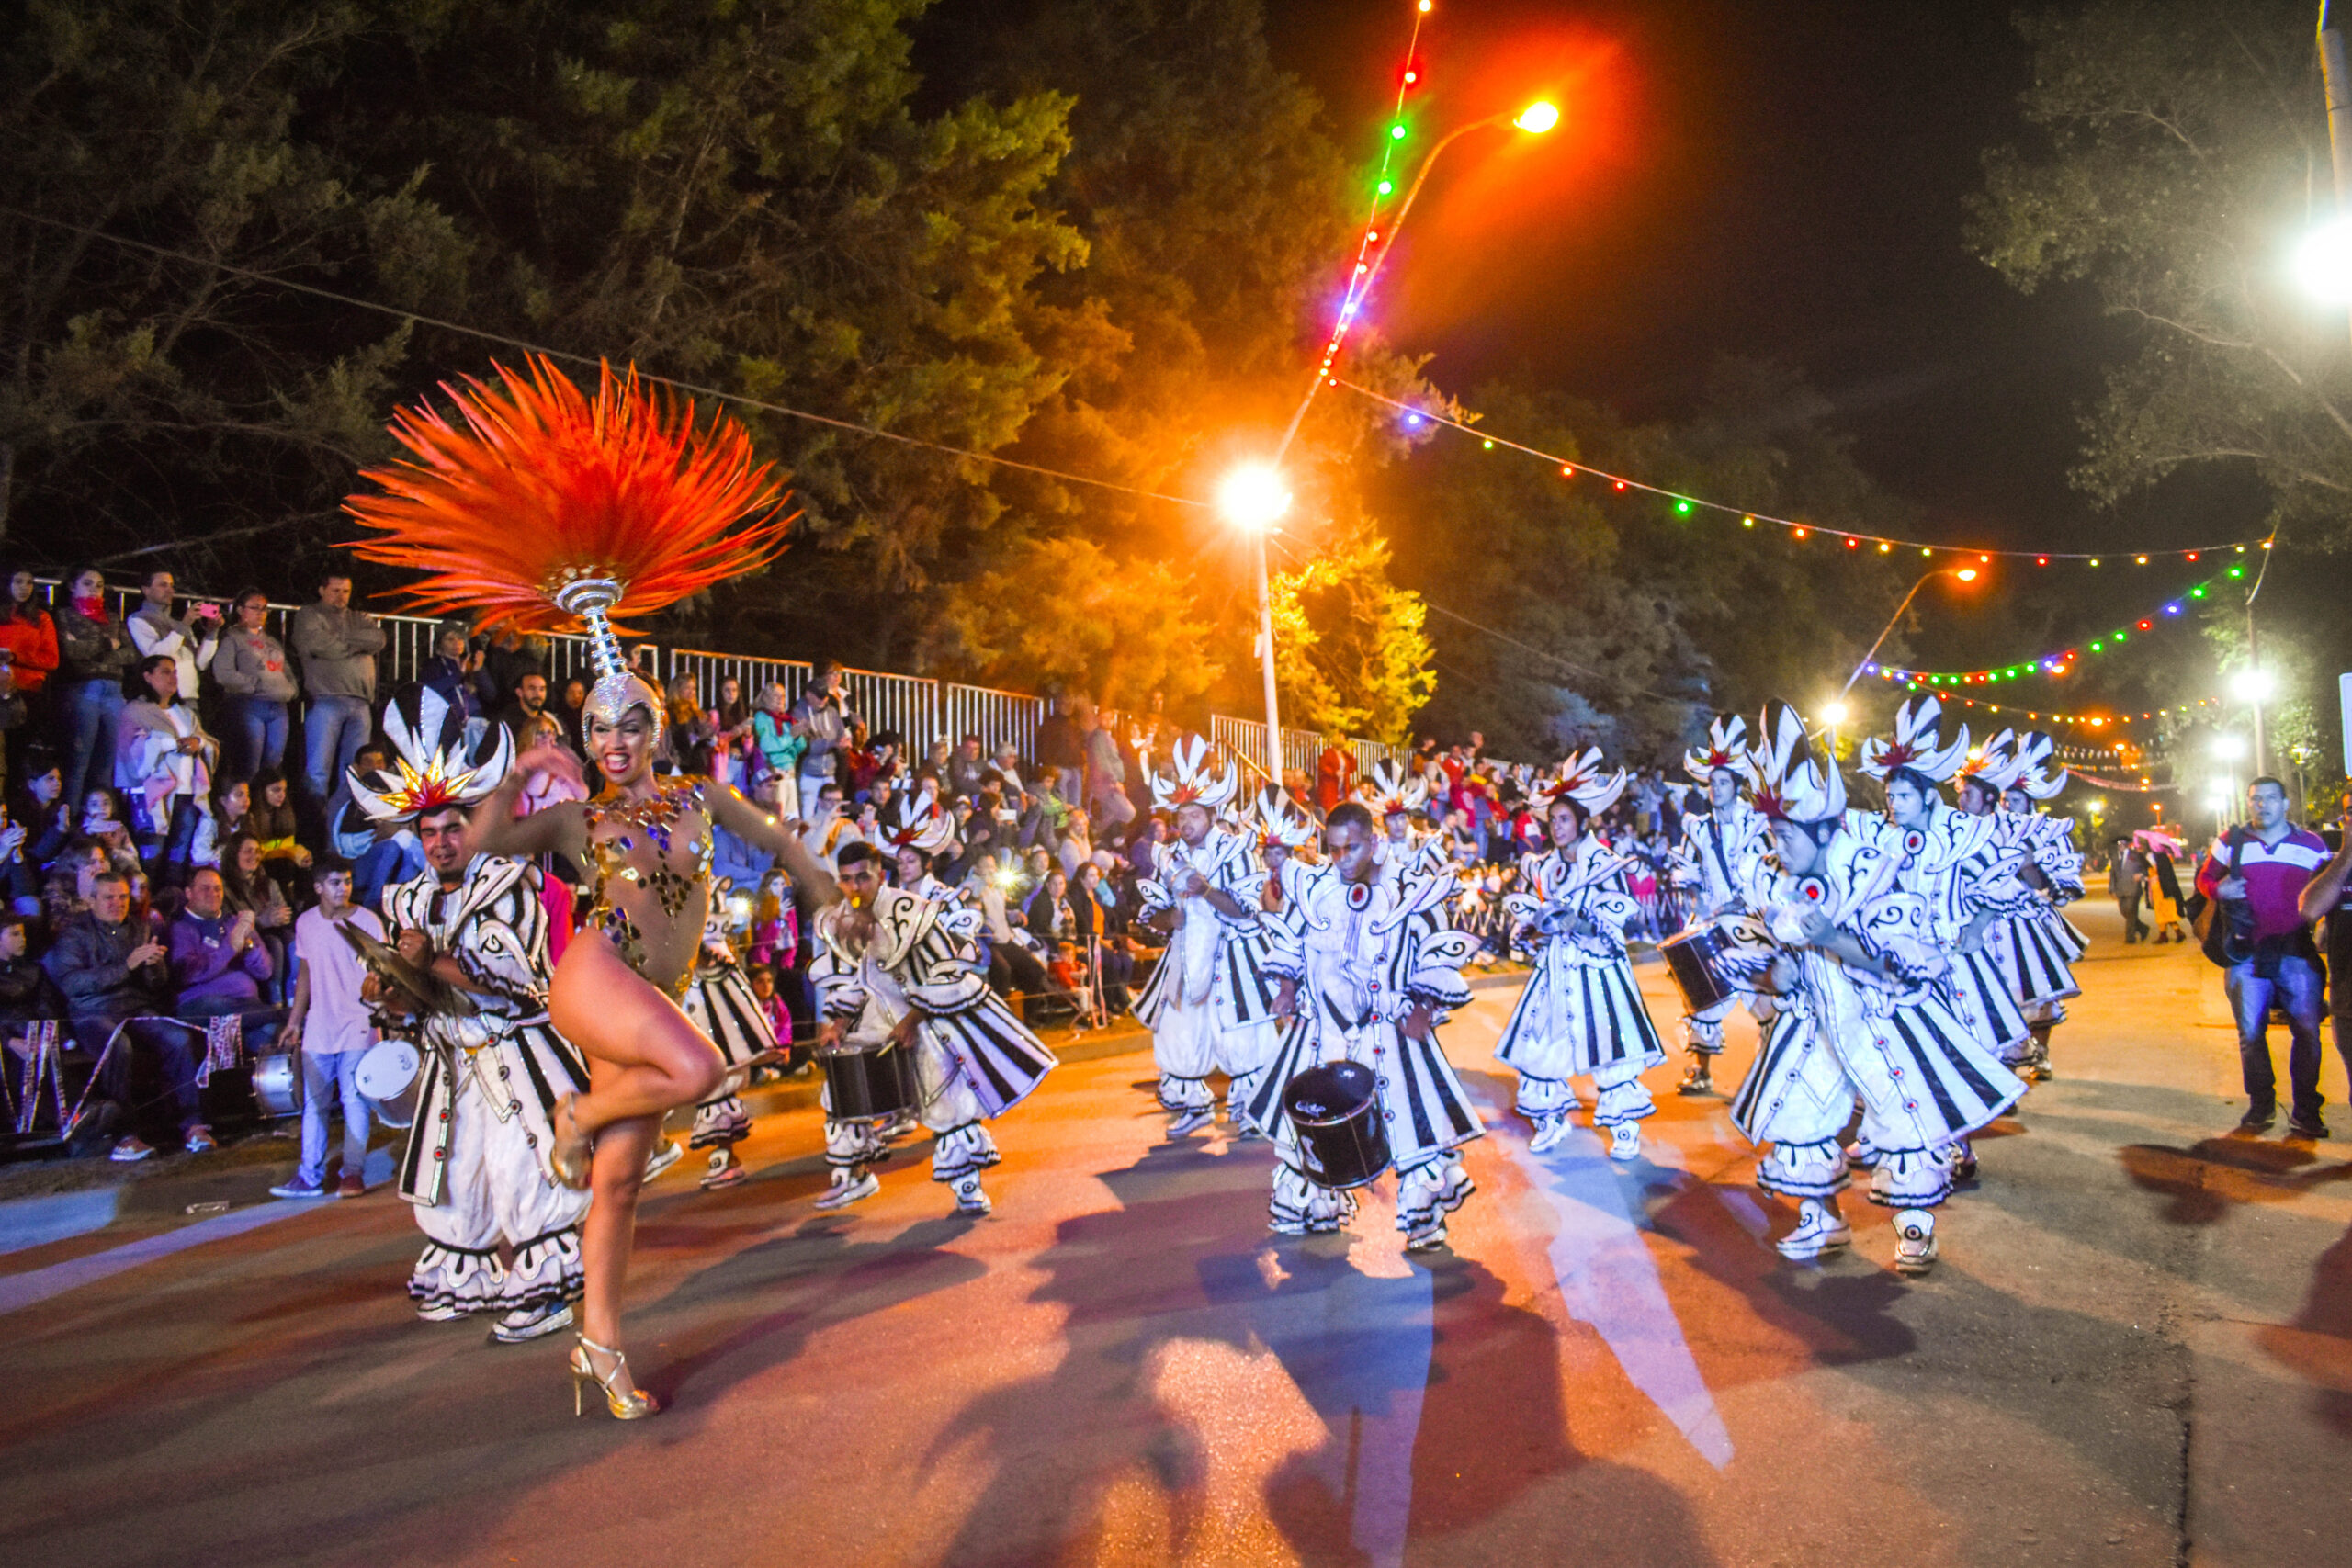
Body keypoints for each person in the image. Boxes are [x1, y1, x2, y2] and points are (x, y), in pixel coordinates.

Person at [1731, 702, 2022, 1275]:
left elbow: (1898, 967)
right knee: (1796, 1115)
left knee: (1902, 1120)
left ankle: (1915, 1229)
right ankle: (1823, 1217)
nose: (1777, 845)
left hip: (1879, 1016)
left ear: (1819, 829)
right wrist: (1775, 974)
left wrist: (1837, 942)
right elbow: (1763, 955)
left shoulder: (1870, 871)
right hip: (1812, 1020)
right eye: (1772, 833)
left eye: (1786, 834)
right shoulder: (1773, 877)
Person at [1250, 801, 1483, 1248]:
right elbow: (1291, 947)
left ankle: (1422, 1220)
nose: (1341, 860)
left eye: (1351, 848)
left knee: (1409, 1126)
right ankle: (1317, 1205)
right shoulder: (1315, 888)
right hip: (1323, 1030)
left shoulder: (1410, 891)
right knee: (1312, 1121)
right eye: (1333, 850)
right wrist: (1284, 988)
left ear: (1373, 843)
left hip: (1389, 1032)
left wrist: (1422, 1009)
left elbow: (1434, 953)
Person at [807, 840, 1058, 1213]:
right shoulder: (841, 919)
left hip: (928, 1017)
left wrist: (913, 1019)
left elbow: (947, 970)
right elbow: (856, 980)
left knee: (947, 1102)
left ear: (881, 874)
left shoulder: (913, 912)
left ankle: (967, 1185)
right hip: (880, 1019)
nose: (855, 887)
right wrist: (837, 1022)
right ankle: (854, 1177)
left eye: (863, 877)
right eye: (846, 880)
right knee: (842, 1088)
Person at [1860, 696, 2036, 1113]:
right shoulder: (1881, 836)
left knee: (1952, 1056)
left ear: (1924, 795)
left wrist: (1974, 930)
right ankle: (1885, 1135)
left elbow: (2001, 884)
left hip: (1951, 961)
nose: (1895, 804)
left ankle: (1958, 1147)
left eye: (1903, 795)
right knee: (1895, 1055)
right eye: (1890, 795)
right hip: (1897, 963)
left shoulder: (1961, 833)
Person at [1494, 751, 1665, 1161]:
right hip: (1553, 971)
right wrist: (1532, 929)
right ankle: (1552, 1121)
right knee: (1540, 1049)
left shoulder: (1605, 864)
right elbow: (1540, 922)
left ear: (1583, 821)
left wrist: (1579, 923)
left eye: (1564, 820)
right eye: (1552, 821)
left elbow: (1614, 928)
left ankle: (1624, 1127)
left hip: (1598, 974)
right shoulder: (1544, 867)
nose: (1556, 827)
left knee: (1612, 1051)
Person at [1130, 739, 1283, 1138]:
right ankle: (1195, 1106)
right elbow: (1156, 916)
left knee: (1241, 1036)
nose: (1187, 823)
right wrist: (1169, 917)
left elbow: (1247, 910)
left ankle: (1251, 1110)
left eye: (1195, 815)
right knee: (1178, 1036)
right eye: (1182, 816)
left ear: (1211, 816)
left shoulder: (1235, 850)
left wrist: (1206, 890)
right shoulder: (1166, 855)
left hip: (1233, 960)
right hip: (1183, 960)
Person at [2198, 776, 2330, 1138]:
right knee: (2251, 1033)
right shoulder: (2230, 842)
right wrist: (2218, 888)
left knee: (2307, 1032)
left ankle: (2306, 1110)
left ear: (2286, 804)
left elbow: (2330, 889)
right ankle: (2261, 1105)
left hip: (2295, 951)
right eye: (2256, 799)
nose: (2263, 805)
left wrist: (2326, 926)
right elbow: (2204, 879)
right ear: (2248, 803)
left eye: (2271, 798)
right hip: (2245, 954)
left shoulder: (2313, 845)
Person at [45, 870, 208, 1160]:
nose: (117, 903)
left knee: (177, 1039)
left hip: (135, 1007)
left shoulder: (139, 927)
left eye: (122, 896)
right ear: (91, 900)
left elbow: (155, 985)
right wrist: (127, 966)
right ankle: (125, 1135)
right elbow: (72, 984)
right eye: (108, 897)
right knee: (118, 1045)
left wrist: (154, 966)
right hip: (92, 1011)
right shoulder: (75, 933)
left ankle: (192, 1125)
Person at [1665, 716, 1776, 1094]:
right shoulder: (1696, 826)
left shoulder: (1759, 824)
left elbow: (1770, 872)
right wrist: (1691, 887)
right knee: (1702, 1000)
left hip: (1749, 923)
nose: (1714, 788)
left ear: (1738, 786)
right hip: (1710, 922)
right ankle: (1701, 1070)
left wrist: (1743, 903)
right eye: (1711, 782)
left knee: (1764, 1003)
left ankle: (1767, 1073)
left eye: (1722, 782)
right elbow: (1687, 873)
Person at [271, 860, 382, 1201]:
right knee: (314, 1104)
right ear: (318, 887)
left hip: (358, 1021)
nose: (342, 888)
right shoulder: (306, 924)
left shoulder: (367, 922)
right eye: (335, 882)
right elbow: (305, 973)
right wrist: (295, 1021)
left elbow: (382, 972)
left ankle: (352, 1173)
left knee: (354, 1101)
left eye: (346, 881)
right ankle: (310, 1175)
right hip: (320, 1024)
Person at [115, 654, 217, 888]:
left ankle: (172, 902)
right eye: (165, 671)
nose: (173, 677)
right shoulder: (135, 711)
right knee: (151, 854)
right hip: (152, 795)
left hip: (186, 792)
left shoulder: (185, 713)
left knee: (178, 857)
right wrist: (173, 743)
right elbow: (132, 750)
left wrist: (198, 744)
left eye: (175, 672)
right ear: (147, 676)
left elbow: (205, 740)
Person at [291, 568, 386, 807]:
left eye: (346, 591)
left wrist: (338, 642)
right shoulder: (309, 614)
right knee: (317, 771)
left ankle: (343, 824)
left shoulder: (359, 617)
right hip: (326, 699)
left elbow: (378, 640)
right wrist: (356, 645)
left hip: (360, 702)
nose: (341, 596)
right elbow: (315, 643)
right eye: (335, 591)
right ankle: (314, 827)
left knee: (355, 772)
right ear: (322, 590)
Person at [54, 566, 137, 811]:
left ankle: (101, 818)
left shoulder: (111, 618)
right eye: (88, 583)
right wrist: (106, 644)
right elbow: (70, 652)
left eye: (99, 585)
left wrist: (95, 652)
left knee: (107, 760)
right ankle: (71, 820)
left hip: (113, 689)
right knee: (79, 759)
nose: (94, 589)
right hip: (84, 688)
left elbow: (130, 654)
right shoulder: (64, 615)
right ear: (72, 586)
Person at [166, 865, 277, 1044]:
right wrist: (231, 947)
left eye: (218, 888)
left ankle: (279, 1023)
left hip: (245, 1003)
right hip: (200, 1004)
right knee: (221, 1006)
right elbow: (190, 973)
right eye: (205, 888)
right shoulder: (179, 927)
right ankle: (282, 1015)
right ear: (189, 893)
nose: (213, 893)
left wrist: (248, 945)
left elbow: (265, 971)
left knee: (273, 1034)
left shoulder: (234, 922)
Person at [211, 588, 299, 781]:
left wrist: (290, 690)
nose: (261, 613)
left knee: (273, 764)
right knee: (250, 763)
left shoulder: (271, 641)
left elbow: (287, 670)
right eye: (255, 608)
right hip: (249, 704)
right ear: (241, 610)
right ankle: (247, 805)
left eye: (264, 609)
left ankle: (265, 806)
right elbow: (223, 672)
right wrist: (254, 685)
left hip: (278, 705)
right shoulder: (233, 637)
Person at [124, 570, 220, 713]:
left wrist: (212, 632)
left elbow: (201, 663)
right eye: (163, 585)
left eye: (171, 585)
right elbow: (157, 655)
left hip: (189, 697)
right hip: (160, 699)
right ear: (146, 590)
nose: (170, 590)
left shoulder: (179, 624)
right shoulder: (138, 619)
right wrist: (185, 624)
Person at [789, 660, 857, 805]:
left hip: (830, 773)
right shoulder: (799, 712)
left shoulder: (832, 711)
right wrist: (834, 744)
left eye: (825, 696)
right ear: (809, 694)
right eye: (819, 696)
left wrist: (844, 743)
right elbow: (806, 745)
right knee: (808, 815)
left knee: (831, 814)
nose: (823, 699)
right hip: (809, 774)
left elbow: (840, 733)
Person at [2109, 839, 2149, 943]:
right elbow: (2113, 875)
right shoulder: (2115, 858)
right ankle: (2142, 928)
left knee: (2131, 912)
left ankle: (2130, 937)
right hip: (2120, 889)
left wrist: (2141, 875)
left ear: (2127, 844)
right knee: (2124, 911)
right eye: (2119, 844)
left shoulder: (2136, 855)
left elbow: (2147, 869)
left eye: (2123, 843)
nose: (2121, 846)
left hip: (2133, 888)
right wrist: (2111, 889)